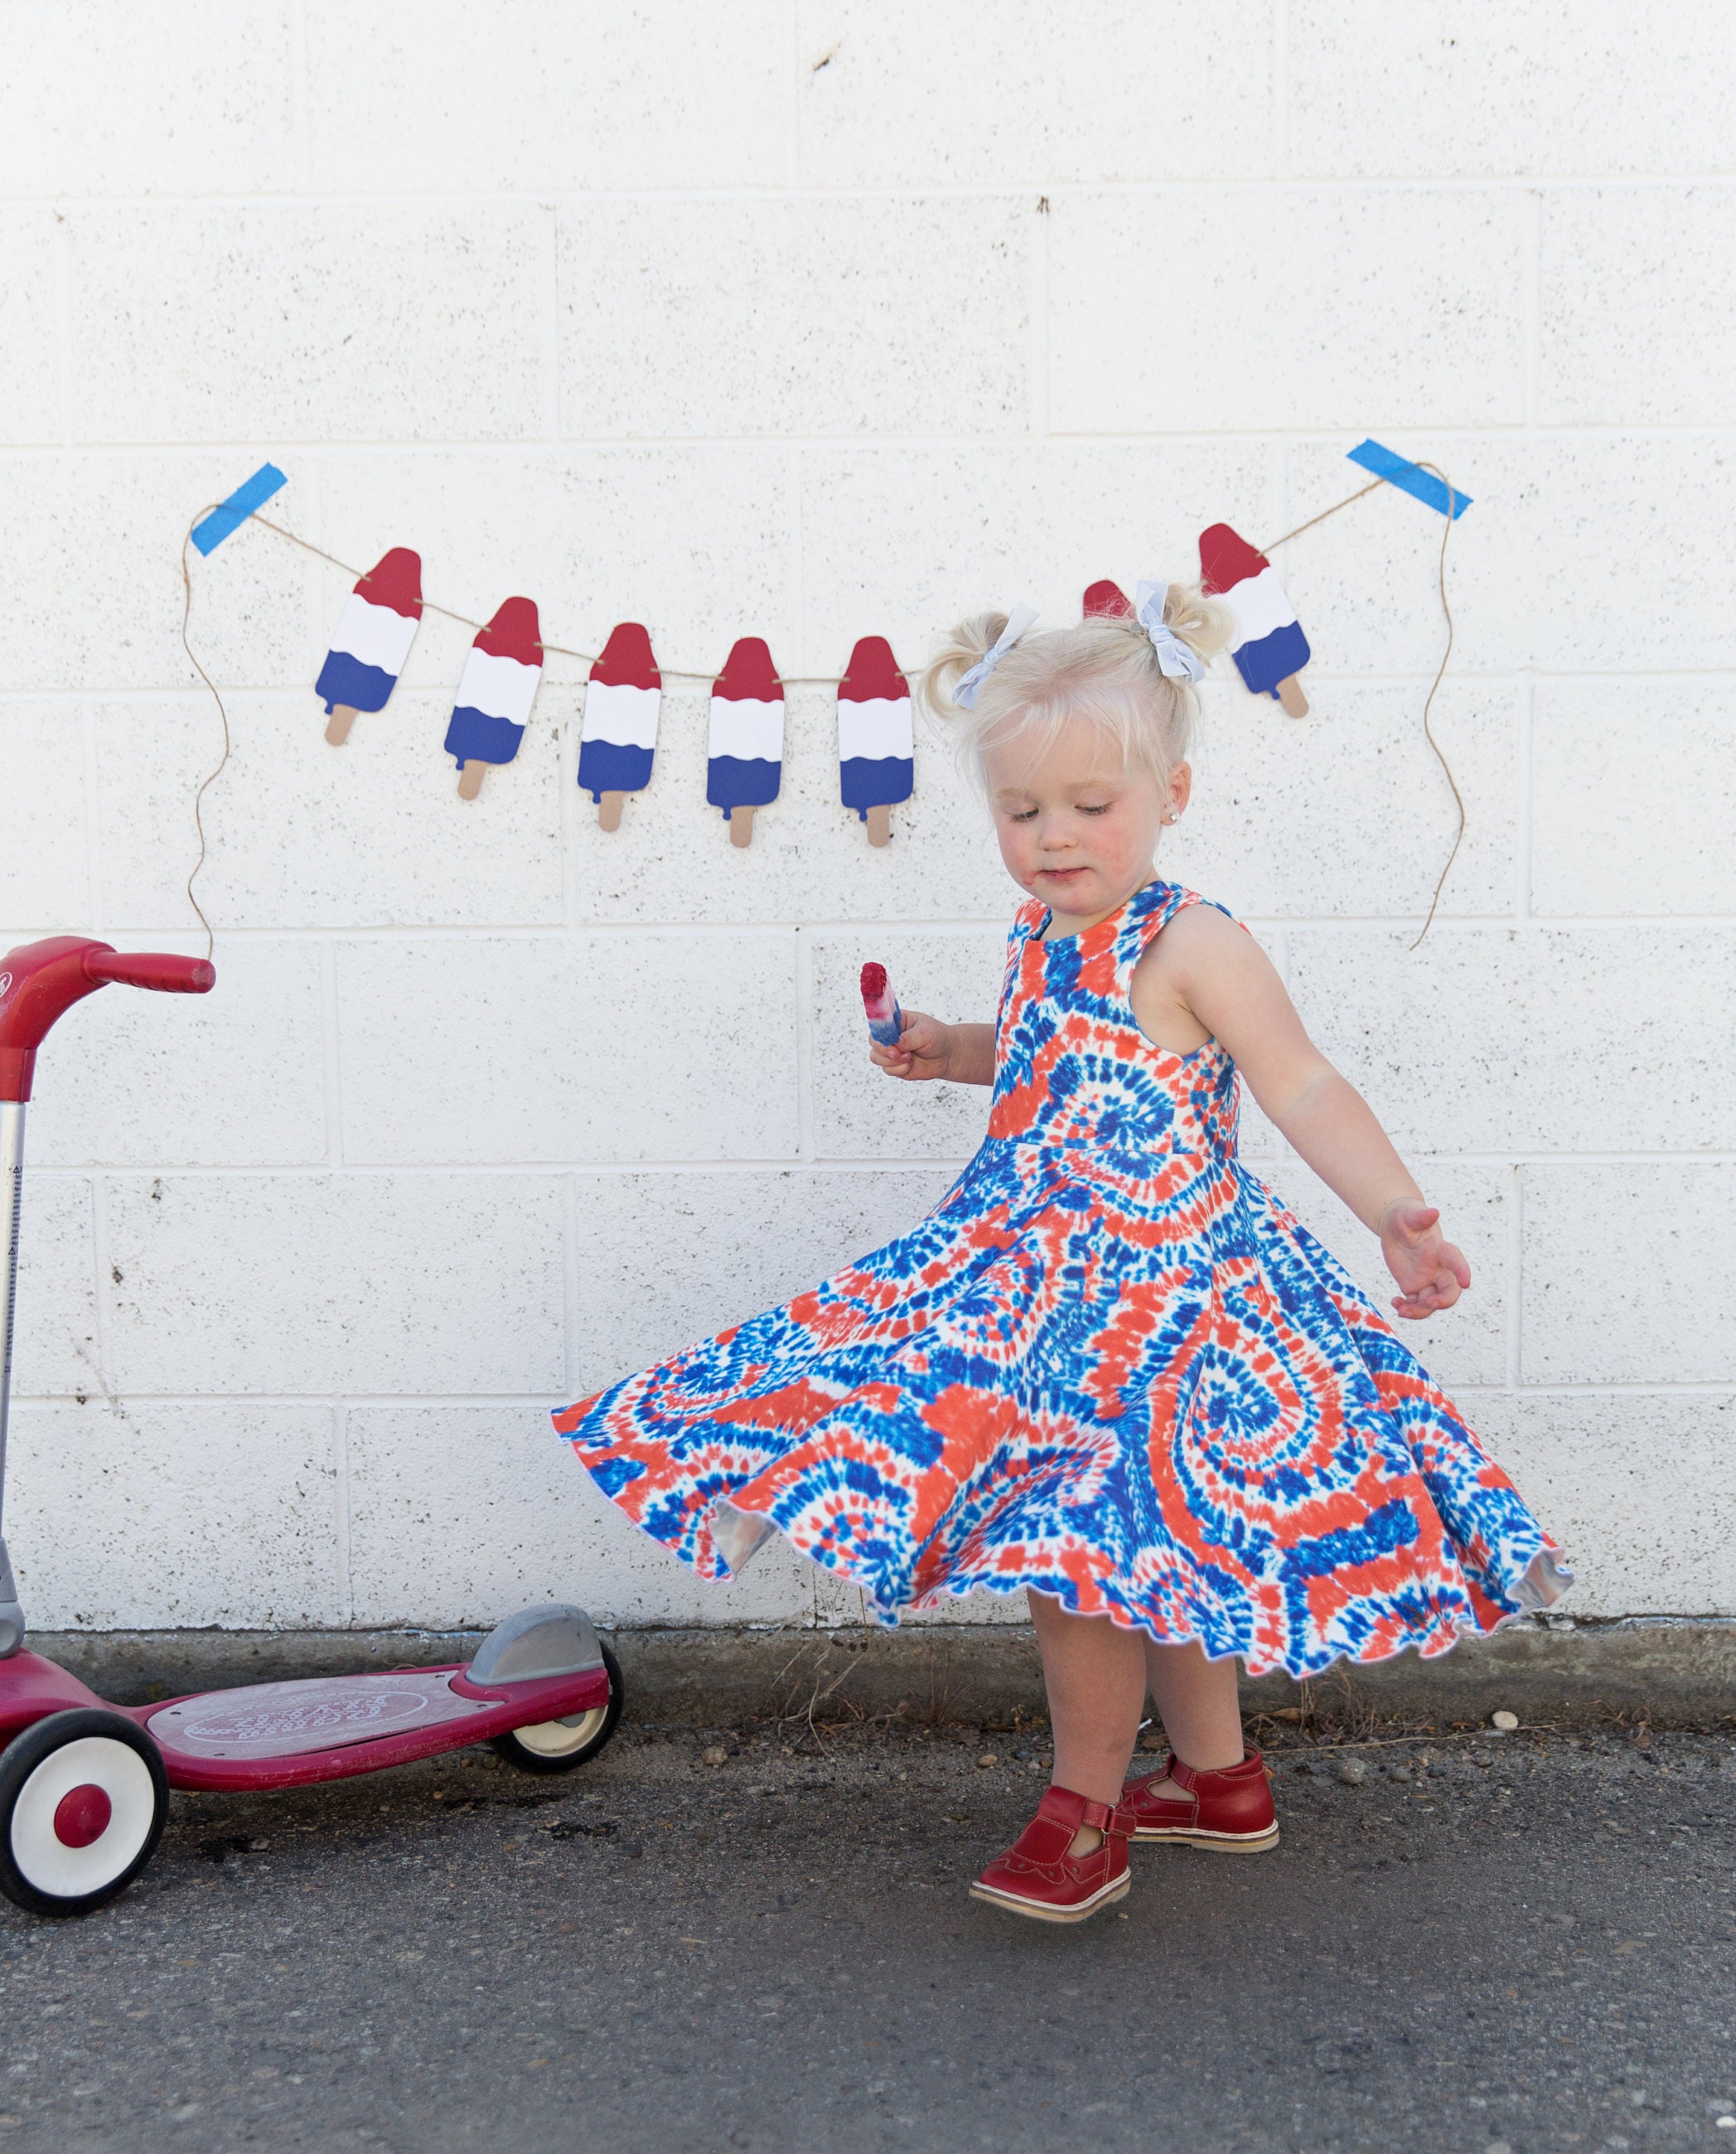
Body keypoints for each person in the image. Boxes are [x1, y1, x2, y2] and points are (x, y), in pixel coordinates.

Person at [554, 585, 1570, 1925]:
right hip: (1028, 1277)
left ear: (1174, 792)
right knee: (1140, 1546)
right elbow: (1046, 1047)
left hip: (1165, 1302)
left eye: (1090, 805)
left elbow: (1302, 1084)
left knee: (1090, 1550)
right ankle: (1216, 1783)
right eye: (1021, 812)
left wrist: (1392, 1211)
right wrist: (949, 1047)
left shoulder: (1192, 941)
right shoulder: (1042, 930)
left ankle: (1082, 1809)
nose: (1053, 837)